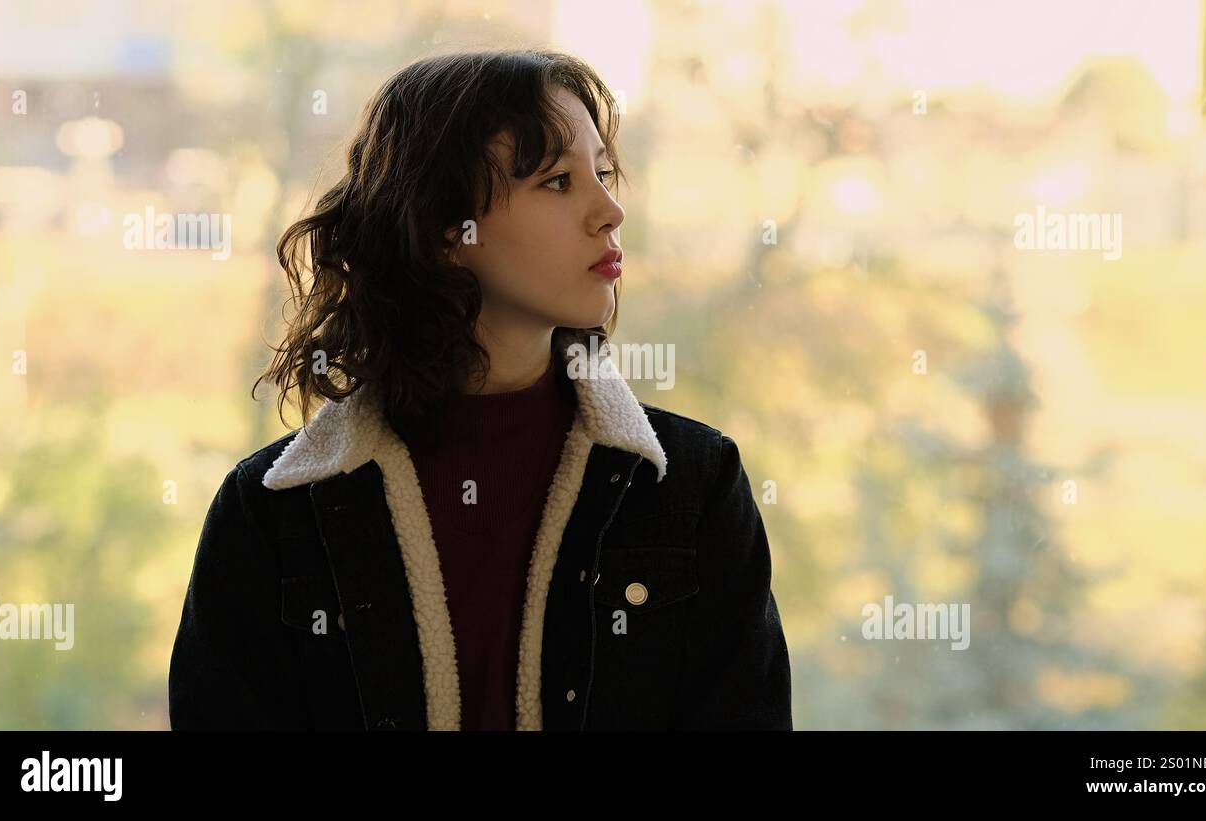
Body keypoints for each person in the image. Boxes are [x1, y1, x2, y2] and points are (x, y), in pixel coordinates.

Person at [168, 47, 791, 731]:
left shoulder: (692, 485)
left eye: (604, 173)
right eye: (558, 181)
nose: (609, 210)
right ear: (443, 229)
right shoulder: (271, 514)